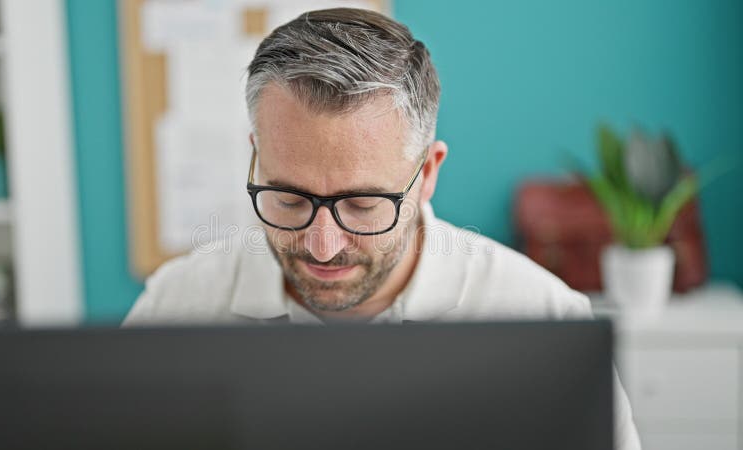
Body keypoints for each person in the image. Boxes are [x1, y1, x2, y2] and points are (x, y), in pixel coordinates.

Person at [124, 8, 641, 449]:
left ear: (428, 173)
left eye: (362, 204)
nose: (322, 246)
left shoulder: (546, 324)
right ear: (255, 159)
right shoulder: (174, 309)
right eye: (289, 197)